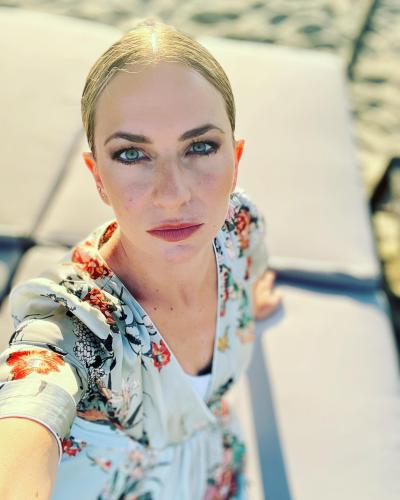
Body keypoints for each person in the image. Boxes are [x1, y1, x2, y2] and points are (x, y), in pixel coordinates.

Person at [0, 18, 282, 499]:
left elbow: (245, 275)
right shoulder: (75, 323)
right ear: (98, 177)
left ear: (235, 161)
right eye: (132, 154)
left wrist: (243, 305)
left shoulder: (240, 227)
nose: (172, 195)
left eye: (200, 147)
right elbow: (31, 398)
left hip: (213, 467)